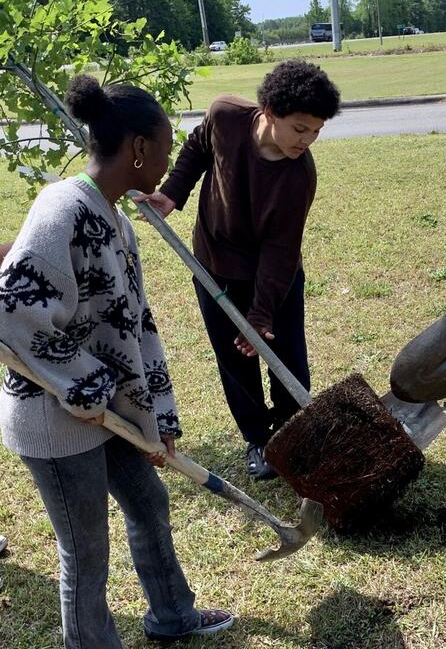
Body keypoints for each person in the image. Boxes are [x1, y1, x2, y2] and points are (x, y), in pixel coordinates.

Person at [0, 75, 234, 646]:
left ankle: (173, 616)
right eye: (164, 146)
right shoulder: (63, 210)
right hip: (56, 418)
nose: (169, 159)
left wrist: (157, 419)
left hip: (108, 413)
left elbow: (134, 328)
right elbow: (12, 310)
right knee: (85, 553)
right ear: (137, 148)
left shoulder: (116, 219)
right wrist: (85, 388)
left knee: (150, 504)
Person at [137, 60, 341, 480]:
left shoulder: (299, 175)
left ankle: (290, 431)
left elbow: (281, 250)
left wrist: (261, 315)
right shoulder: (226, 115)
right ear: (268, 112)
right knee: (233, 358)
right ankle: (258, 438)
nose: (307, 140)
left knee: (287, 356)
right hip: (213, 264)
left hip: (272, 276)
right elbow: (198, 145)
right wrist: (173, 193)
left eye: (316, 131)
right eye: (300, 129)